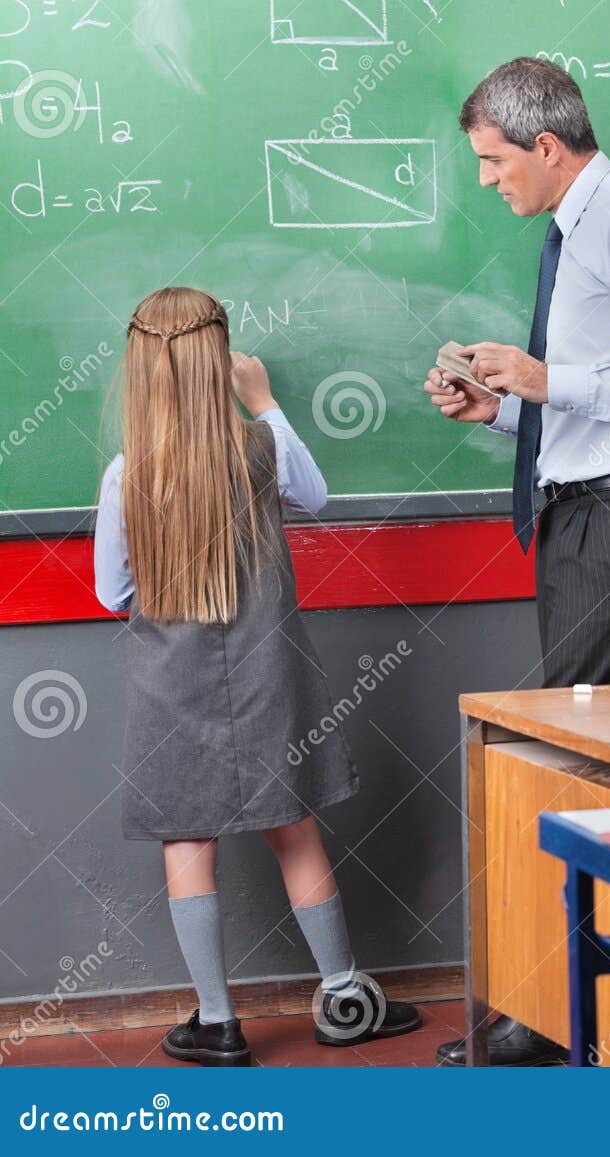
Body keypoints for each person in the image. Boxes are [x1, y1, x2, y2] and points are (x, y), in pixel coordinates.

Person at [426, 57, 610, 1067]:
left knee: (576, 764)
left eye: (493, 160)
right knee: (578, 756)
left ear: (546, 145)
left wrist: (556, 378)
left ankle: (565, 1012)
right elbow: (594, 401)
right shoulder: (574, 226)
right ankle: (576, 1006)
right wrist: (508, 404)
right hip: (584, 518)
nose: (486, 180)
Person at [93, 287, 420, 1066]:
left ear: (140, 373)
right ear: (219, 359)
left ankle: (218, 1020)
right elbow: (317, 494)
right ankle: (344, 996)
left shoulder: (126, 473)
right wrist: (265, 401)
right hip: (269, 673)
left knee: (187, 840)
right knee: (295, 826)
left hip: (168, 684)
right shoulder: (259, 450)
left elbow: (112, 593)